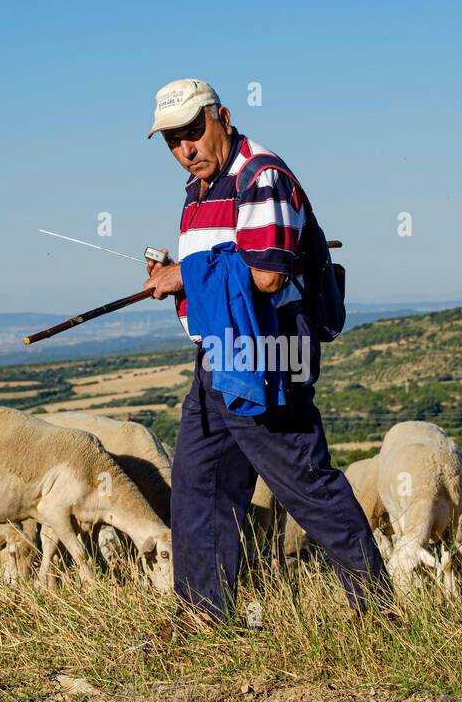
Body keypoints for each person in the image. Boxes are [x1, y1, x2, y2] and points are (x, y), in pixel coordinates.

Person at [142, 78, 391, 623]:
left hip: (269, 354)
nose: (185, 149)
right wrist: (177, 279)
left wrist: (185, 275)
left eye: (192, 133)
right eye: (173, 141)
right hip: (220, 355)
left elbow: (267, 276)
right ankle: (204, 612)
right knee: (199, 480)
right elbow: (217, 278)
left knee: (302, 479)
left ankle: (378, 610)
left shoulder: (263, 177)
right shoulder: (199, 190)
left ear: (223, 118)